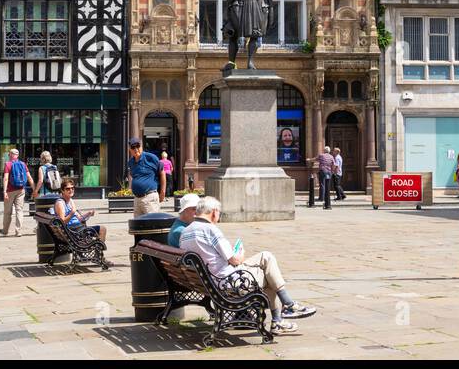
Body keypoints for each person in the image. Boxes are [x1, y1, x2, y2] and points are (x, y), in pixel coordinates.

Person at [179, 196, 315, 335]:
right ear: (214, 212)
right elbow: (235, 261)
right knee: (269, 269)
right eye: (219, 212)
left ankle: (285, 311)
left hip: (207, 282)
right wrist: (241, 253)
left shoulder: (185, 232)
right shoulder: (210, 230)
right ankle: (285, 311)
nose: (218, 216)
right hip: (228, 282)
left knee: (266, 260)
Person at [52, 179, 106, 247]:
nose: (71, 190)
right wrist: (72, 212)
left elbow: (79, 219)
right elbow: (62, 222)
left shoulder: (70, 200)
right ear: (62, 190)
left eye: (72, 188)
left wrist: (88, 213)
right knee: (102, 229)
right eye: (68, 189)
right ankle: (97, 252)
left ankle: (97, 252)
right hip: (74, 232)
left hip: (78, 229)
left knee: (102, 229)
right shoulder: (60, 203)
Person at [0, 148, 33, 237]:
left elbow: (6, 178)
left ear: (10, 155)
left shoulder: (8, 164)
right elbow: (29, 177)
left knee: (7, 212)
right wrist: (34, 189)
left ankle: (5, 231)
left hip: (10, 191)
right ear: (17, 155)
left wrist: (4, 191)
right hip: (21, 190)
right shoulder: (23, 164)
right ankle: (18, 231)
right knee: (19, 210)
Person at [126, 138, 164, 216]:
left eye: (138, 146)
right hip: (137, 199)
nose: (136, 149)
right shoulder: (131, 162)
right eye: (133, 147)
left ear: (141, 147)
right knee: (138, 226)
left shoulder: (150, 157)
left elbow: (162, 172)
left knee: (152, 224)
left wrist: (163, 191)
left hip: (149, 198)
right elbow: (134, 176)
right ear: (130, 149)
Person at [315, 144, 334, 210]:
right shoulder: (331, 157)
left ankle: (322, 198)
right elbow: (333, 164)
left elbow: (315, 159)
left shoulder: (321, 155)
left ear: (324, 150)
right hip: (329, 171)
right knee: (327, 185)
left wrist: (309, 160)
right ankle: (327, 198)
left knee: (322, 184)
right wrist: (332, 171)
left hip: (323, 171)